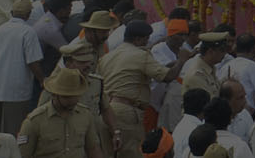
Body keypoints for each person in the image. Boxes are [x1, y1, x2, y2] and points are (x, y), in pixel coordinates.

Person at [96, 21, 180, 158]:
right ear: (138, 39)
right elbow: (167, 76)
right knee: (132, 153)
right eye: (146, 40)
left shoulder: (108, 56)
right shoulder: (141, 55)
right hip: (126, 114)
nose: (147, 44)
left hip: (105, 112)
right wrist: (182, 60)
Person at [16, 68, 103, 158]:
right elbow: (22, 154)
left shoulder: (85, 115)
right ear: (54, 95)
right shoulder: (34, 121)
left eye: (76, 96)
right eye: (67, 97)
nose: (73, 101)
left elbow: (93, 149)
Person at [0, 0, 42, 134]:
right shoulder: (28, 32)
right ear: (28, 14)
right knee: (13, 131)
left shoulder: (1, 29)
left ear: (12, 13)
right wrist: (43, 80)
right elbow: (33, 62)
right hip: (16, 91)